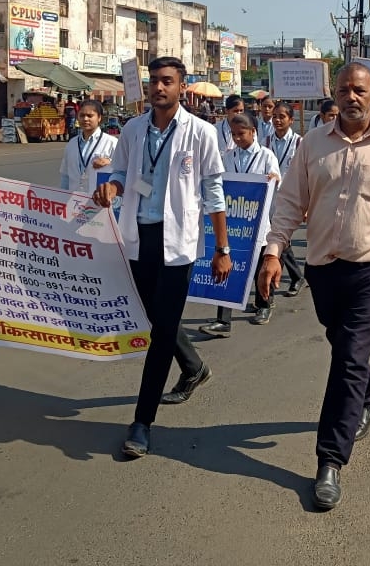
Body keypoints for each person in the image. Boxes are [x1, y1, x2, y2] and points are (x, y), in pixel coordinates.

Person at [258, 63, 370, 511]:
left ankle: (329, 460)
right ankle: (369, 399)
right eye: (344, 90)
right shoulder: (312, 145)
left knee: (348, 360)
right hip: (323, 269)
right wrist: (274, 251)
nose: (351, 97)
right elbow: (290, 202)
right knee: (344, 348)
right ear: (334, 96)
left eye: (359, 90)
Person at [92, 56, 231, 459]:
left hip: (178, 246)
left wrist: (222, 250)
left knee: (159, 334)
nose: (158, 88)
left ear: (181, 87)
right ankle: (193, 366)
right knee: (153, 319)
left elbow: (214, 195)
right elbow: (119, 173)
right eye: (154, 81)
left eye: (167, 81)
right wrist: (112, 190)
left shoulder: (200, 133)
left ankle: (142, 422)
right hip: (138, 238)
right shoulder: (133, 130)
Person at [199, 112, 281, 336]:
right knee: (230, 268)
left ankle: (263, 305)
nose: (237, 138)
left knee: (258, 267)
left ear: (253, 132)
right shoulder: (228, 156)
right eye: (234, 134)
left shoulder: (266, 156)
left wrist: (273, 180)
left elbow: (277, 183)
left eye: (241, 134)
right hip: (234, 221)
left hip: (258, 220)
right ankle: (222, 319)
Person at [263, 101, 307, 297]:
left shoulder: (300, 142)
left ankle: (281, 281)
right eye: (275, 116)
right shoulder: (265, 142)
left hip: (291, 197)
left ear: (291, 119)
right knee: (277, 237)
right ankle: (296, 276)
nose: (277, 120)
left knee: (280, 237)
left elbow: (306, 173)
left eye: (282, 116)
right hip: (269, 198)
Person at [59, 99, 116, 194]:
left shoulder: (111, 142)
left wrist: (109, 162)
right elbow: (65, 176)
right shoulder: (72, 144)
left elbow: (123, 171)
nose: (85, 119)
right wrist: (62, 198)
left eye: (90, 116)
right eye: (82, 115)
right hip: (73, 200)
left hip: (99, 201)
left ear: (99, 118)